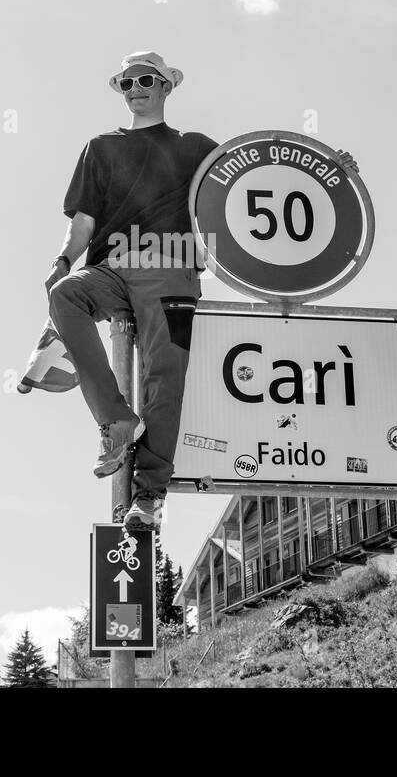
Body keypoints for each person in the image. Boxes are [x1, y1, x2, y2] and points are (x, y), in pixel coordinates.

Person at [46, 50, 358, 531]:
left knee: (164, 381)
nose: (137, 88)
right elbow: (83, 220)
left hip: (172, 270)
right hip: (110, 268)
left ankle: (148, 497)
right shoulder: (100, 147)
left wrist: (329, 169)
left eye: (147, 79)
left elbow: (259, 176)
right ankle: (115, 420)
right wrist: (64, 260)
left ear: (167, 86)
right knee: (66, 294)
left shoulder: (195, 147)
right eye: (127, 83)